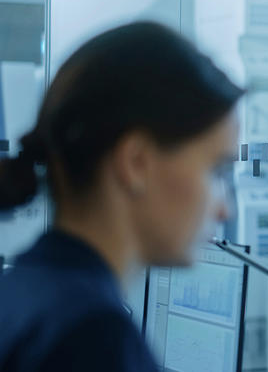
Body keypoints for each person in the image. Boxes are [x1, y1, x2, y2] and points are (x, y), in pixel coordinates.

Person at [0, 22, 242, 371]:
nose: (224, 209)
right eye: (215, 171)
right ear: (136, 162)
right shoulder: (93, 337)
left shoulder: (25, 290)